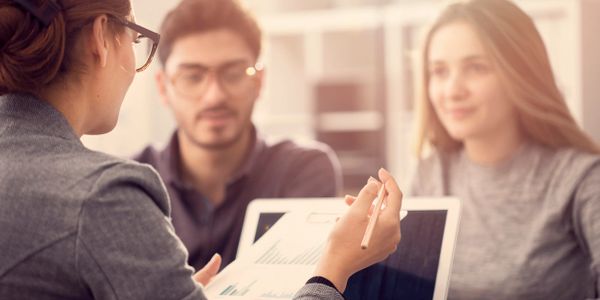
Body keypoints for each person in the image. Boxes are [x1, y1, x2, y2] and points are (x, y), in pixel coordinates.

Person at [0, 0, 401, 299]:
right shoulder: (106, 194)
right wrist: (334, 269)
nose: (214, 96)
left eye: (231, 73)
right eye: (136, 38)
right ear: (103, 38)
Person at [409, 0, 600, 299]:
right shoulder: (431, 174)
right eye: (439, 71)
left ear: (521, 73)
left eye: (476, 68)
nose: (453, 90)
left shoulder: (581, 181)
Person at [132, 0, 342, 270]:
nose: (214, 96)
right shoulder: (130, 181)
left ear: (259, 81)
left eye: (233, 74)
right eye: (193, 77)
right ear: (163, 87)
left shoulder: (303, 170)